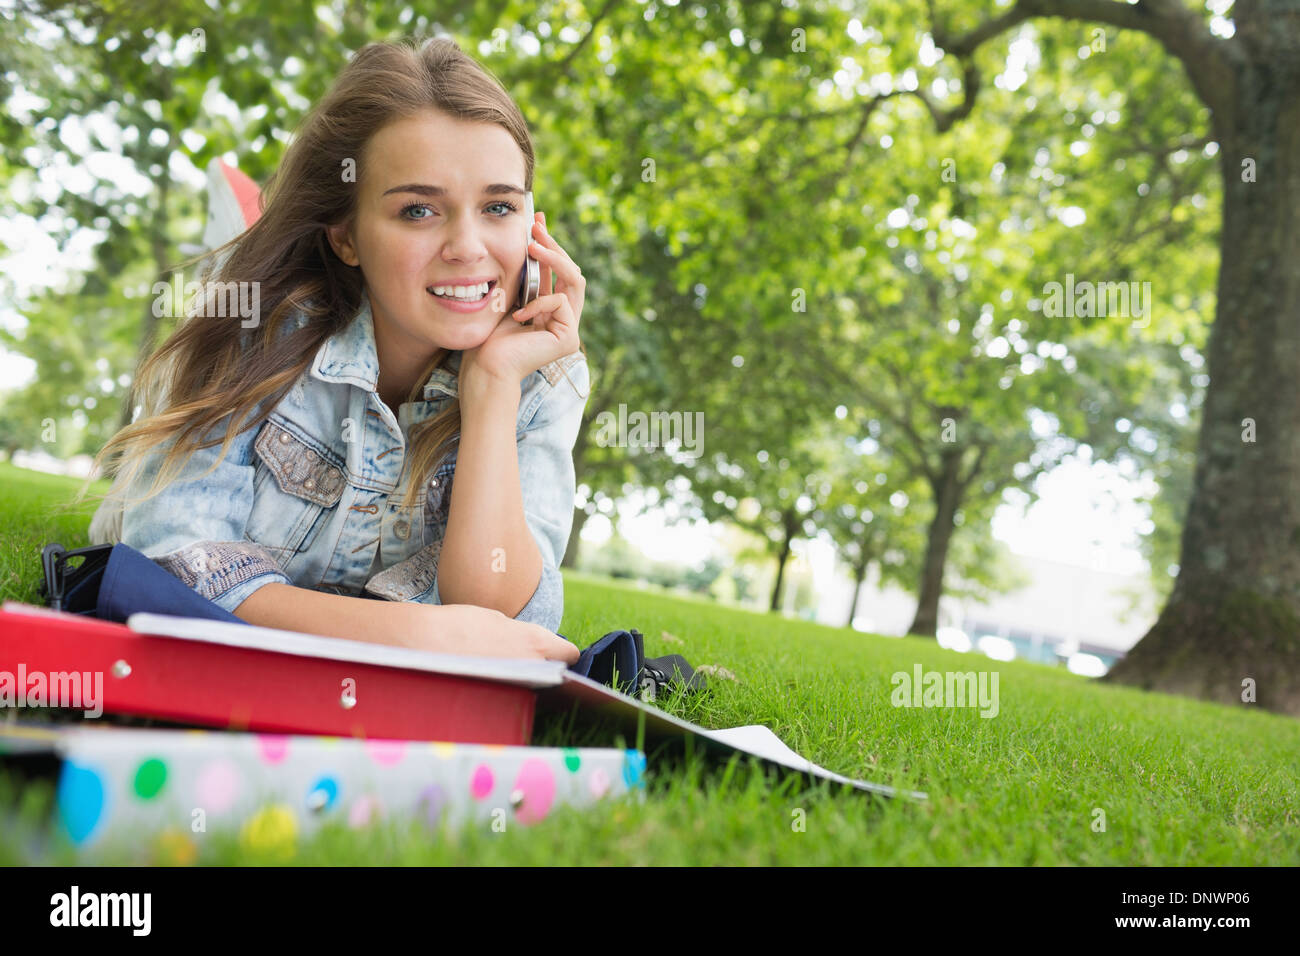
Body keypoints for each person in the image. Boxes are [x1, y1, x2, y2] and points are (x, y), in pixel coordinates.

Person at [86, 37, 587, 663]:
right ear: (346, 236)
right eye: (419, 209)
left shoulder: (542, 375)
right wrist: (422, 633)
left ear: (534, 226)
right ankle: (243, 237)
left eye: (498, 207)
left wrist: (491, 388)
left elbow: (502, 612)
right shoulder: (254, 327)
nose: (467, 245)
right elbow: (171, 566)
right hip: (149, 495)